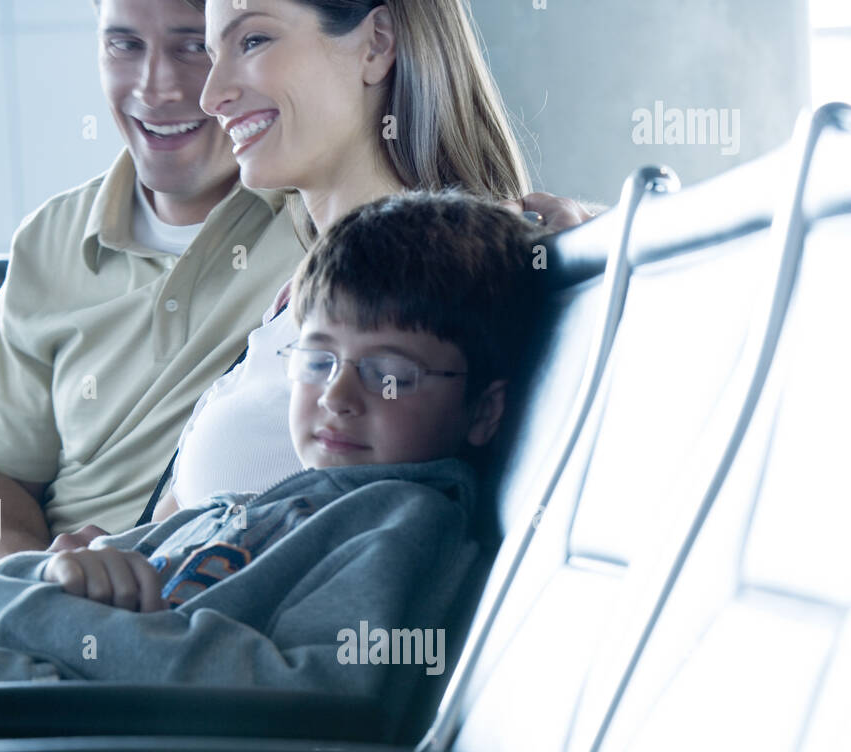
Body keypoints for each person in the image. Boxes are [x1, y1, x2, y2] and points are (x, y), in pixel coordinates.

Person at [0, 191, 546, 741]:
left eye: (389, 376)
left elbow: (317, 706)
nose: (337, 396)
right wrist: (63, 579)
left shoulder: (404, 526)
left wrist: (57, 618)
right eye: (316, 362)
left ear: (484, 412)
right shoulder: (240, 510)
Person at [137, 0, 598, 521]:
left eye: (253, 41)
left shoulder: (455, 290)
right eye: (211, 50)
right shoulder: (307, 289)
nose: (211, 96)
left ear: (377, 43)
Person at [0, 0, 304, 604]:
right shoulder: (49, 236)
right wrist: (41, 582)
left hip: (139, 628)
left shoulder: (312, 218)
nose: (154, 89)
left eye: (194, 45)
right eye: (124, 45)